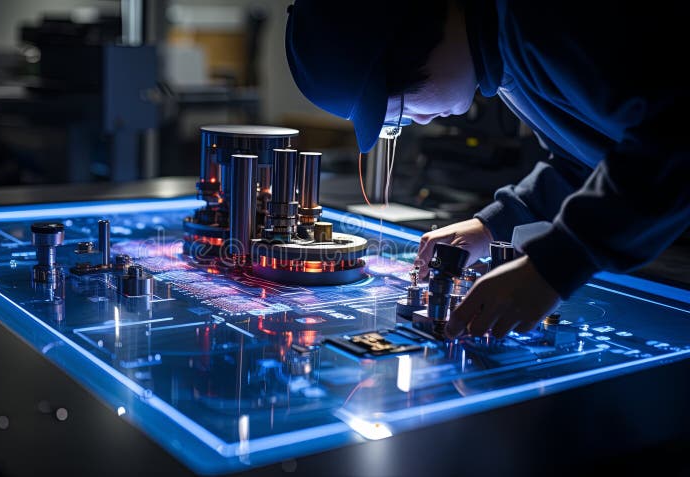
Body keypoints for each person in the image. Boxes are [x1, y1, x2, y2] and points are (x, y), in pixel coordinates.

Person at [285, 0, 689, 338]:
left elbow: (672, 137)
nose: (421, 121)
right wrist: (496, 223)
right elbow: (586, 163)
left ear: (413, 34)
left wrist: (553, 265)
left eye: (403, 107)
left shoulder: (539, 18)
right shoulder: (503, 59)